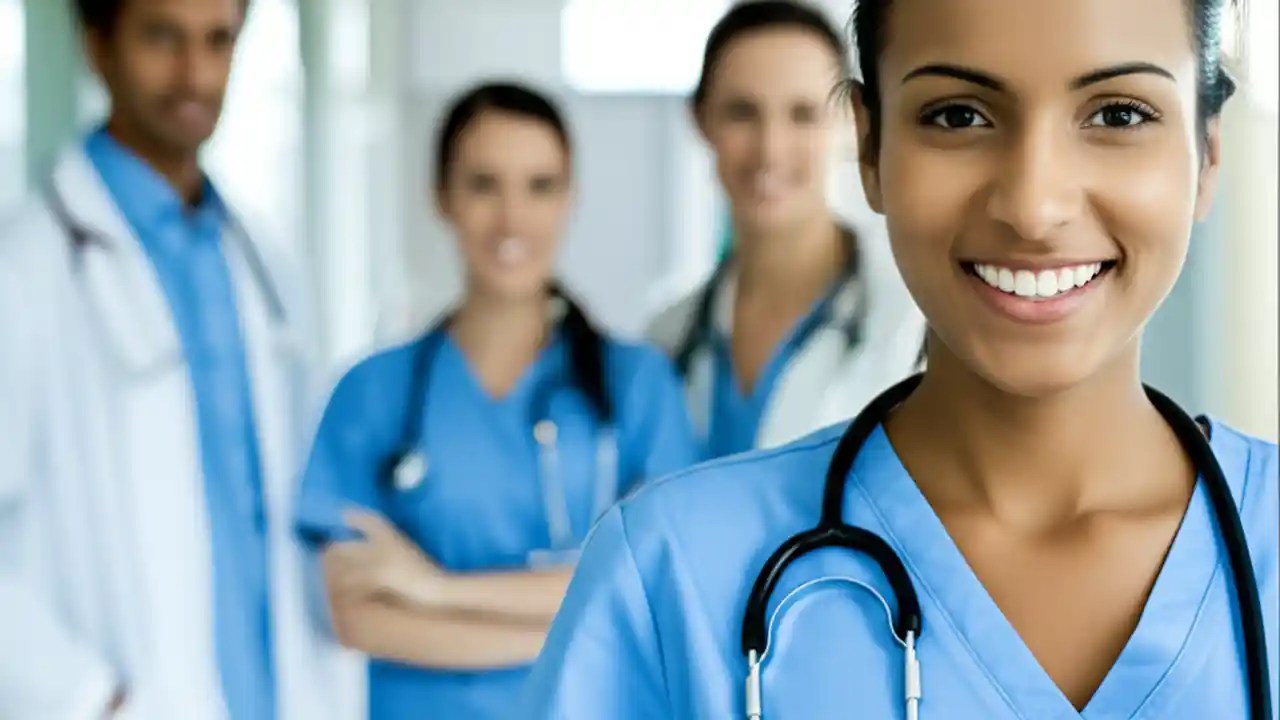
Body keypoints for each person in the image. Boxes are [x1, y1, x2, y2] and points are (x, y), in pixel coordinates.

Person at [523, 0, 1279, 717]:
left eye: (1119, 114)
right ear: (869, 147)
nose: (1034, 205)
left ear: (1208, 151)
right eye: (958, 115)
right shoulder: (667, 578)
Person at [293, 81, 699, 720]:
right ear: (442, 197)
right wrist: (571, 631)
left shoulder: (637, 386)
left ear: (570, 199)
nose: (512, 218)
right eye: (484, 185)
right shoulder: (372, 394)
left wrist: (432, 588)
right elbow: (355, 615)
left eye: (539, 186)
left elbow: (652, 584)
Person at [0, 1, 359, 718]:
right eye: (163, 38)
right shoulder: (26, 269)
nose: (195, 73)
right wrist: (87, 698)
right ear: (97, 46)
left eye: (218, 40)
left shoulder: (261, 259)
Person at [648, 0, 926, 460]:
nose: (770, 149)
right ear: (699, 120)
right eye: (742, 112)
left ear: (849, 125)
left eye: (801, 114)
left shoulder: (912, 321)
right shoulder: (667, 336)